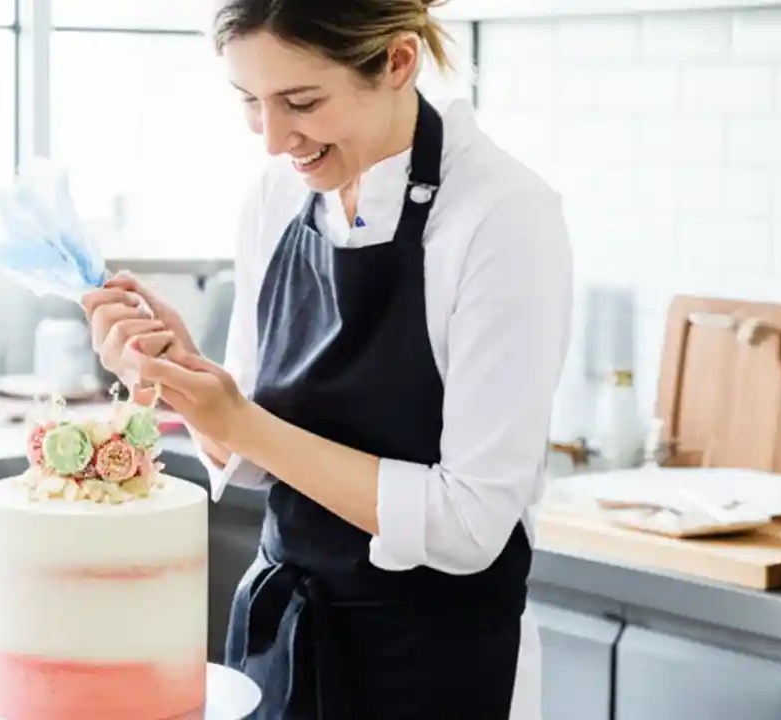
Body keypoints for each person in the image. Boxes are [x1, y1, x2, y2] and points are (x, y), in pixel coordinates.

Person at [82, 1, 572, 717]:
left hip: (431, 662)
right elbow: (249, 452)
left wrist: (242, 422)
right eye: (250, 102)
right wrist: (176, 375)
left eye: (302, 101)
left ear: (399, 63)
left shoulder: (500, 215)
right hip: (284, 642)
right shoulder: (278, 196)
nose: (275, 139)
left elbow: (467, 525)